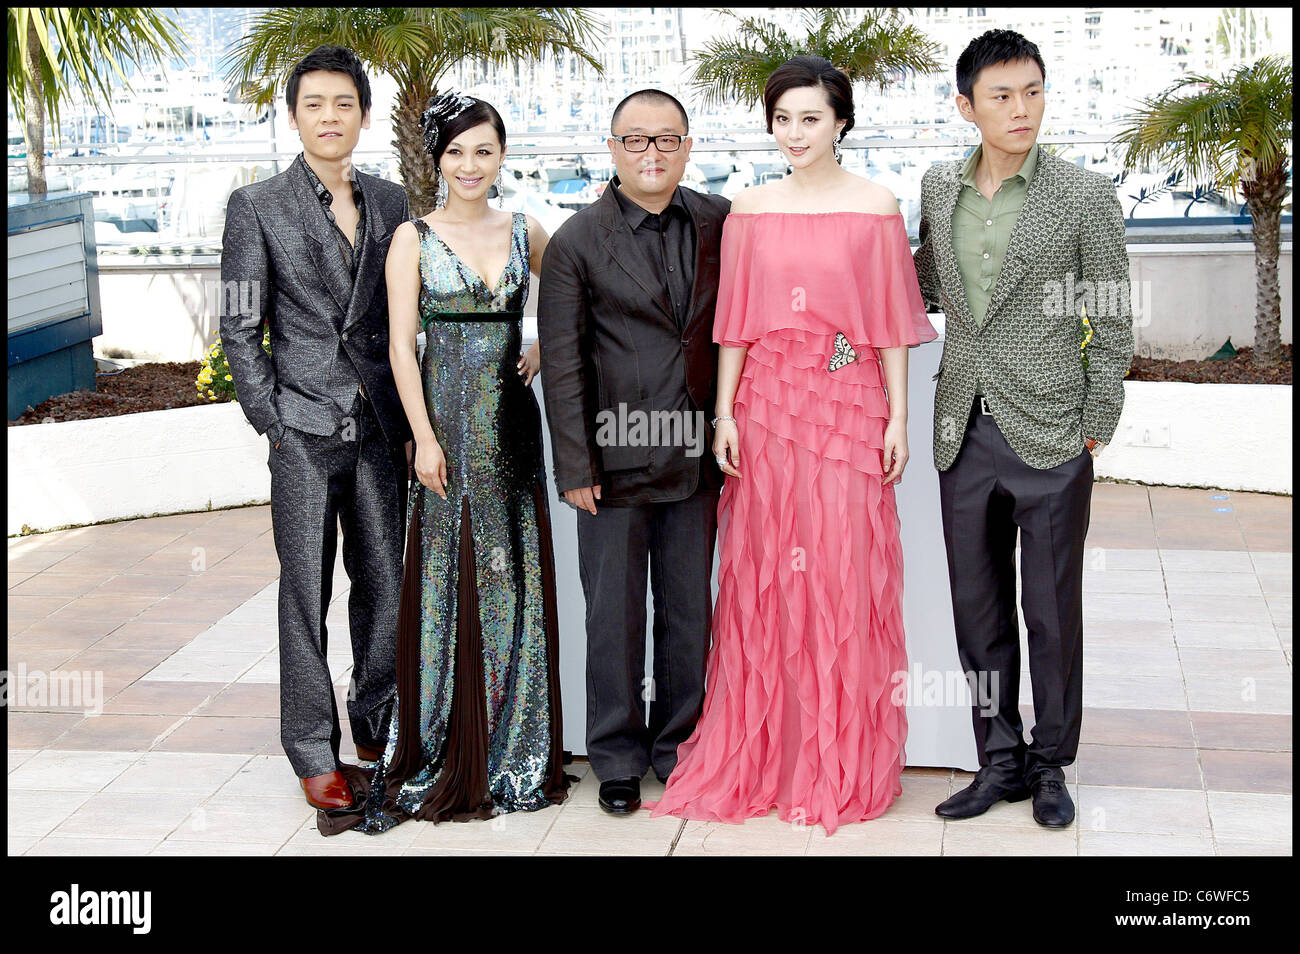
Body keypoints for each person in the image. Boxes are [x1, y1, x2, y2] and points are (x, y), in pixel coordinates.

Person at [646, 56, 937, 835]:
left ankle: (836, 760)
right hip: (767, 408)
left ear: (841, 119)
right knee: (766, 580)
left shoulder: (877, 206)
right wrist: (725, 414)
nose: (796, 133)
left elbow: (887, 328)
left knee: (843, 576)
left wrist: (898, 418)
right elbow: (734, 321)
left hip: (847, 405)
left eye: (811, 117)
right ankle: (771, 760)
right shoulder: (751, 208)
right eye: (783, 119)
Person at [318, 92, 571, 835]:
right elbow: (399, 347)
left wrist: (543, 345)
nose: (470, 165)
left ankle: (515, 749)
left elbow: (569, 304)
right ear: (438, 158)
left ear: (502, 156)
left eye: (484, 151)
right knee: (446, 585)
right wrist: (423, 439)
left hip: (512, 432)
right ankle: (442, 745)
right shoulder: (411, 238)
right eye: (456, 152)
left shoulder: (530, 229)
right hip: (445, 435)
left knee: (514, 581)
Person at [914, 30, 1133, 828]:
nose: (1021, 109)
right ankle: (997, 760)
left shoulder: (1082, 195)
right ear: (966, 105)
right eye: (1002, 95)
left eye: (1033, 91)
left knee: (1051, 610)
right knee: (977, 610)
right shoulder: (940, 186)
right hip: (960, 425)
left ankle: (1050, 764)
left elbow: (1110, 316)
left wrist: (1095, 424)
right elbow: (925, 280)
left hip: (1052, 431)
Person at [220, 45, 412, 811]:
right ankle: (310, 749)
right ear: (294, 115)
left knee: (386, 584)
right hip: (300, 428)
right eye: (314, 104)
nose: (329, 117)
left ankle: (378, 720)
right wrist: (274, 420)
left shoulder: (394, 203)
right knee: (305, 593)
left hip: (379, 429)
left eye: (344, 104)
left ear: (364, 115)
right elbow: (239, 327)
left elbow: (410, 316)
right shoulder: (256, 205)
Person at [537, 89, 730, 815]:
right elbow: (563, 363)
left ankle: (678, 748)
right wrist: (576, 467)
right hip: (612, 463)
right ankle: (615, 757)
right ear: (613, 148)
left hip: (696, 453)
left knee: (688, 612)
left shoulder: (718, 220)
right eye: (636, 140)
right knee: (613, 617)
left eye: (667, 140)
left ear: (687, 145)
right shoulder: (577, 241)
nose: (652, 153)